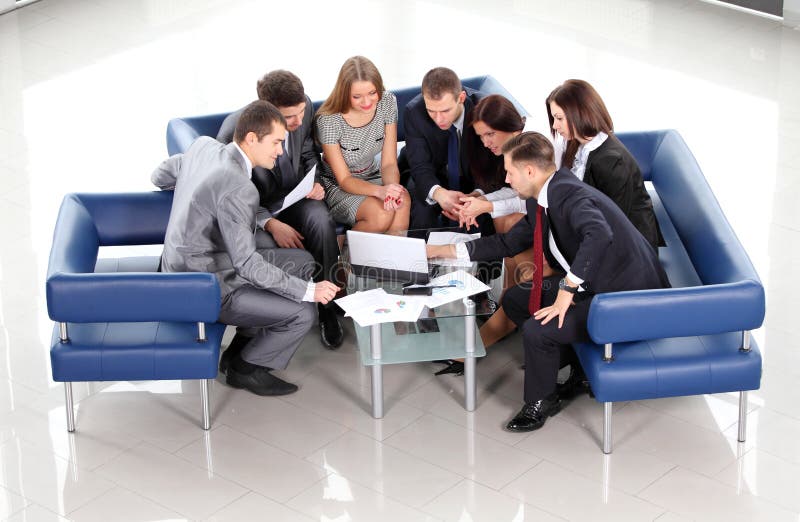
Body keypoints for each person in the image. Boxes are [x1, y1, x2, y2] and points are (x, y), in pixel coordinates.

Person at [428, 132, 669, 431]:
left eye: (510, 172)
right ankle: (577, 368)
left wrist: (567, 291)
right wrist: (442, 251)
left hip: (626, 297)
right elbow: (508, 243)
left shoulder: (569, 195)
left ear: (530, 171)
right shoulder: (542, 198)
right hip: (596, 284)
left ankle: (540, 402)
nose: (507, 179)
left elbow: (599, 234)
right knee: (517, 299)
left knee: (538, 330)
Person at [153, 100, 341, 397]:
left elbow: (159, 176)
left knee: (304, 262)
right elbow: (247, 265)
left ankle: (242, 345)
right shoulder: (240, 187)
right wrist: (309, 291)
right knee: (303, 313)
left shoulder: (203, 147)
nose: (281, 151)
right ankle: (245, 368)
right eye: (276, 142)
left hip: (176, 265)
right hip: (203, 284)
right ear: (251, 138)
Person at [216, 70, 344, 354]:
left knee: (320, 219)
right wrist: (270, 223)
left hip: (297, 196)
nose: (298, 122)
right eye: (289, 118)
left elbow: (309, 153)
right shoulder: (232, 135)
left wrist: (316, 182)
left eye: (301, 113)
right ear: (267, 111)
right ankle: (270, 316)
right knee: (263, 244)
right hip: (256, 210)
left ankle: (327, 306)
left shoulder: (303, 107)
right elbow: (232, 197)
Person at [547, 79, 663, 250]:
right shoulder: (578, 144)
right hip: (596, 229)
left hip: (631, 247)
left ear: (580, 113)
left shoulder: (610, 161)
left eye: (559, 118)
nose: (555, 125)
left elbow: (616, 224)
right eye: (553, 118)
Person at [314, 56, 410, 233]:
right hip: (339, 185)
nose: (367, 102)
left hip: (372, 173)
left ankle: (392, 252)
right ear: (344, 93)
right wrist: (380, 192)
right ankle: (345, 251)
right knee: (381, 214)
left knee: (401, 202)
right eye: (357, 96)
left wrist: (391, 191)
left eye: (372, 93)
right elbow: (344, 180)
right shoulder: (328, 121)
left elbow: (389, 164)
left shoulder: (387, 102)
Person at [400, 67, 492, 232]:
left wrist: (477, 195)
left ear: (461, 98)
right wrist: (439, 194)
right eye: (431, 111)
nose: (438, 119)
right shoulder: (414, 112)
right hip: (431, 176)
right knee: (422, 213)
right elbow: (420, 166)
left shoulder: (484, 110)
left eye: (445, 111)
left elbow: (492, 164)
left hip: (474, 178)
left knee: (481, 217)